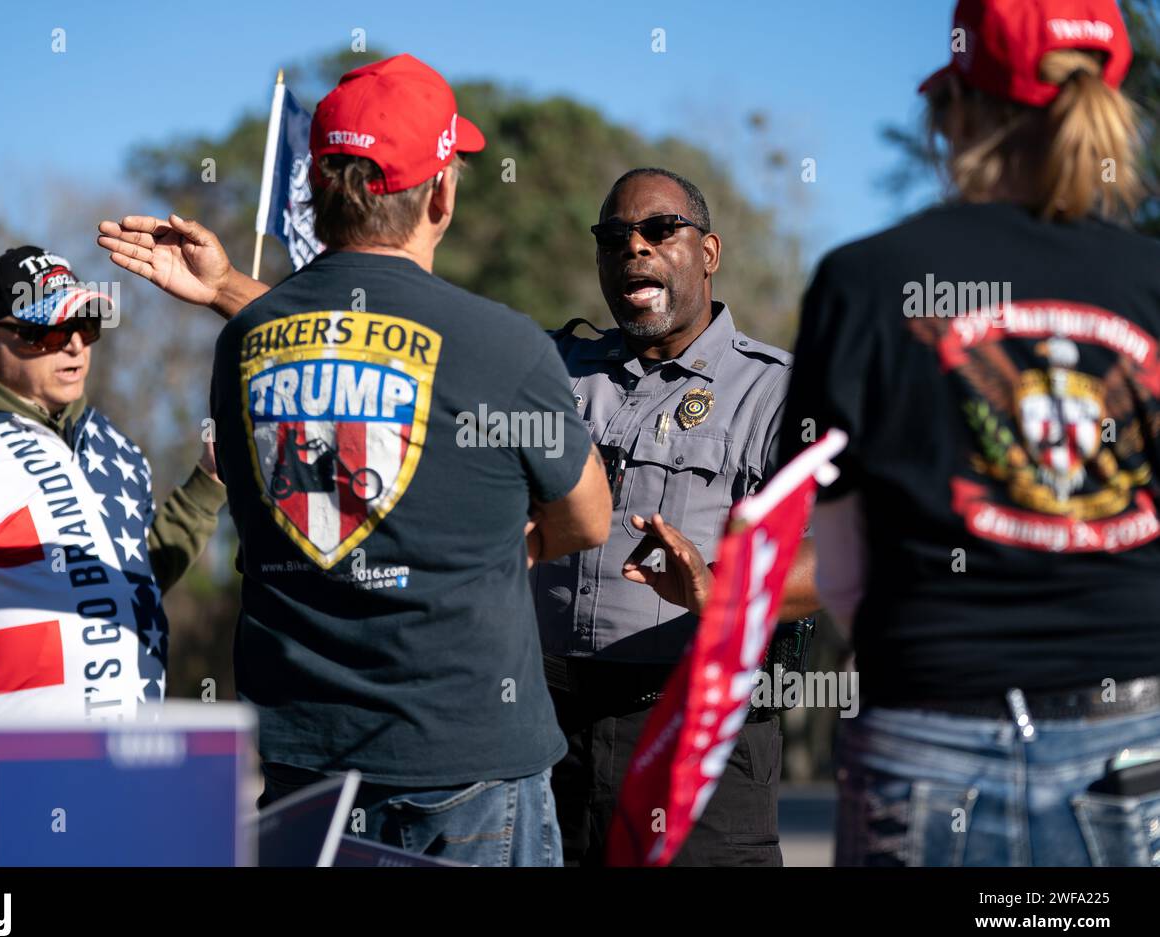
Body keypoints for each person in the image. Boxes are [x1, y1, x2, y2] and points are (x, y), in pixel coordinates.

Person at [97, 53, 612, 866]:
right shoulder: (503, 345)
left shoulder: (241, 346)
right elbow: (587, 518)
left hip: (308, 771)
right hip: (471, 768)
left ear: (317, 190)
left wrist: (234, 287)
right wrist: (515, 542)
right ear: (439, 193)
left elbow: (329, 357)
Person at [778, 0, 1160, 865]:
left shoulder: (865, 279)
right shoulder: (1150, 282)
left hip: (928, 744)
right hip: (1134, 750)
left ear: (956, 111)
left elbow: (839, 574)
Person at [0, 245, 225, 817]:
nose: (75, 343)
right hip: (5, 786)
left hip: (129, 779)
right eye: (46, 330)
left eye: (83, 324)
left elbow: (134, 582)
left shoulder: (116, 446)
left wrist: (208, 484)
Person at [536, 167, 821, 866]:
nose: (635, 247)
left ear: (710, 253)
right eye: (614, 237)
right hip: (541, 733)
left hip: (693, 735)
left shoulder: (779, 390)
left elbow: (833, 555)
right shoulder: (549, 368)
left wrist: (716, 585)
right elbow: (414, 349)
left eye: (660, 230)